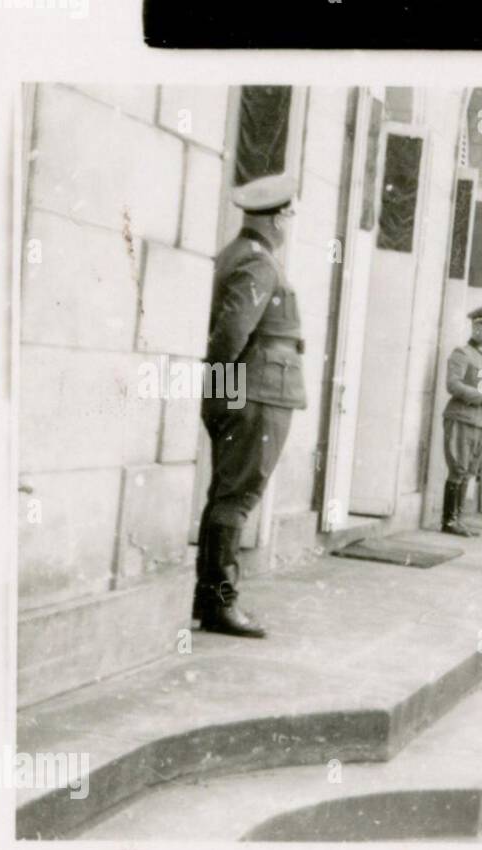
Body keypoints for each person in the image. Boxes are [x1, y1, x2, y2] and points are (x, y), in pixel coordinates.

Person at [193, 174, 306, 638]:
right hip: (259, 393)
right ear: (278, 218)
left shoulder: (238, 254)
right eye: (290, 215)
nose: (290, 223)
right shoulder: (259, 264)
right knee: (236, 498)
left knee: (225, 496)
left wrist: (220, 398)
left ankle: (209, 599)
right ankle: (221, 604)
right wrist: (226, 396)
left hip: (249, 391)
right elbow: (231, 334)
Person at [441, 304, 482, 538]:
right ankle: (449, 519)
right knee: (459, 467)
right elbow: (453, 384)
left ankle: (460, 518)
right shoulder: (462, 354)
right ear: (475, 327)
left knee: (470, 471)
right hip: (463, 418)